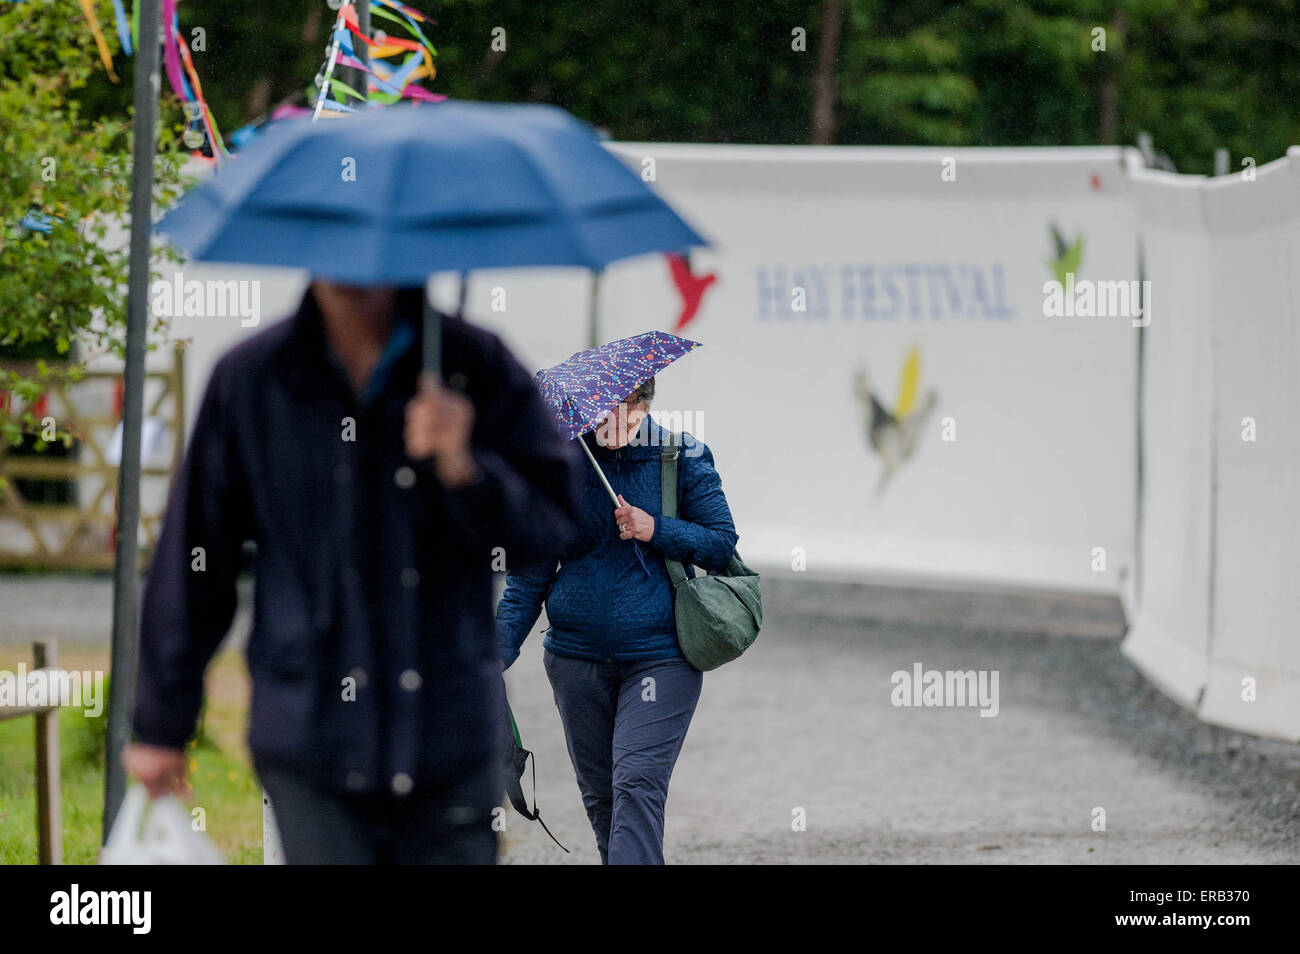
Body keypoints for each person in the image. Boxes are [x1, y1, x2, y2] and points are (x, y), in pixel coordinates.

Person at [122, 281, 582, 864]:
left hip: (450, 736)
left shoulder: (476, 365)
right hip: (311, 739)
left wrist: (466, 468)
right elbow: (196, 557)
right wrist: (162, 724)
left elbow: (552, 527)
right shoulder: (254, 377)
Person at [495, 377, 738, 864]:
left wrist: (656, 528)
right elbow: (529, 579)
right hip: (574, 659)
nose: (612, 423)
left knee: (636, 784)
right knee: (603, 797)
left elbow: (720, 543)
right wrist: (490, 655)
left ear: (645, 405)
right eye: (602, 412)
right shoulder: (562, 467)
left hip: (662, 657)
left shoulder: (681, 456)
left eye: (626, 410)